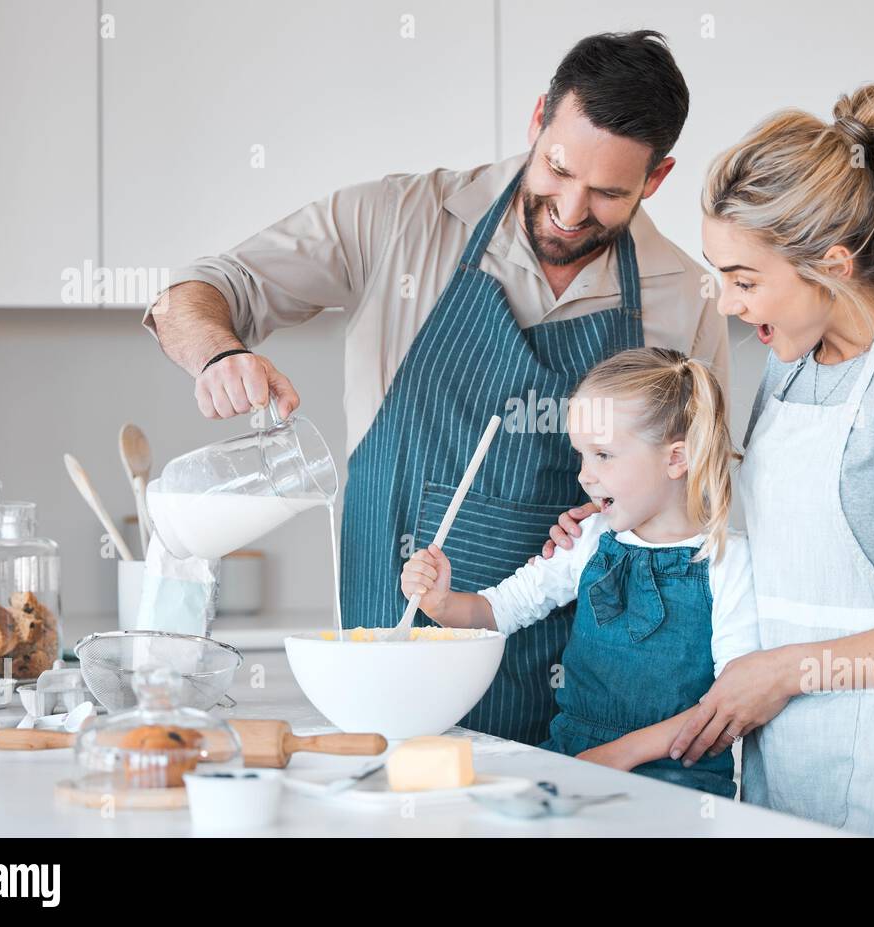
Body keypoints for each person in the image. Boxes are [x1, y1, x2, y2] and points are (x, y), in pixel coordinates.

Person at [144, 32, 727, 746]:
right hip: (389, 680)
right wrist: (219, 354)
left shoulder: (682, 296)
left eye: (608, 193)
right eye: (557, 169)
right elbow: (195, 294)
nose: (571, 210)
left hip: (585, 713)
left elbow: (709, 495)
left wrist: (626, 517)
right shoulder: (402, 221)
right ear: (538, 118)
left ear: (657, 178)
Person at [547, 83, 874, 837]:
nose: (726, 305)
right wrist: (625, 514)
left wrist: (789, 670)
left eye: (745, 280)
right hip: (783, 769)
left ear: (829, 264)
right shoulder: (791, 365)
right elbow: (754, 529)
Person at [401, 348, 758, 797]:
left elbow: (729, 706)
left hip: (677, 781)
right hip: (573, 759)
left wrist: (619, 755)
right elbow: (496, 611)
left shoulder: (729, 562)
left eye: (604, 455)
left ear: (676, 459)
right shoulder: (587, 537)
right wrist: (442, 601)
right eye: (582, 456)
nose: (586, 476)